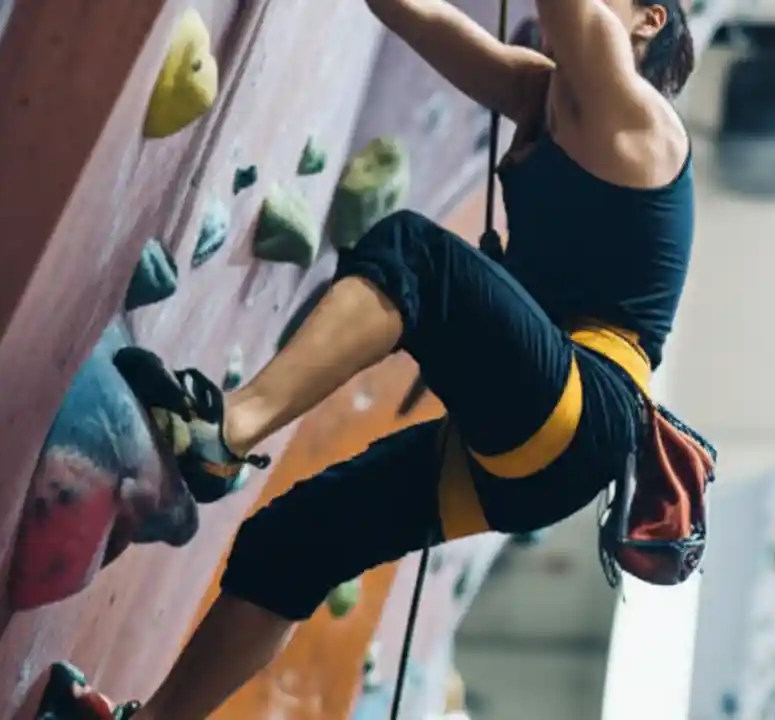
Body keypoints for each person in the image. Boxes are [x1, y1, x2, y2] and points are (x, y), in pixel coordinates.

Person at [40, 0, 697, 717]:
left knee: (415, 255)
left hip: (585, 411)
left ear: (650, 21)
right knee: (294, 541)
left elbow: (580, 19)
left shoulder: (646, 126)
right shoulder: (536, 93)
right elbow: (419, 19)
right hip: (535, 458)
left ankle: (226, 431)